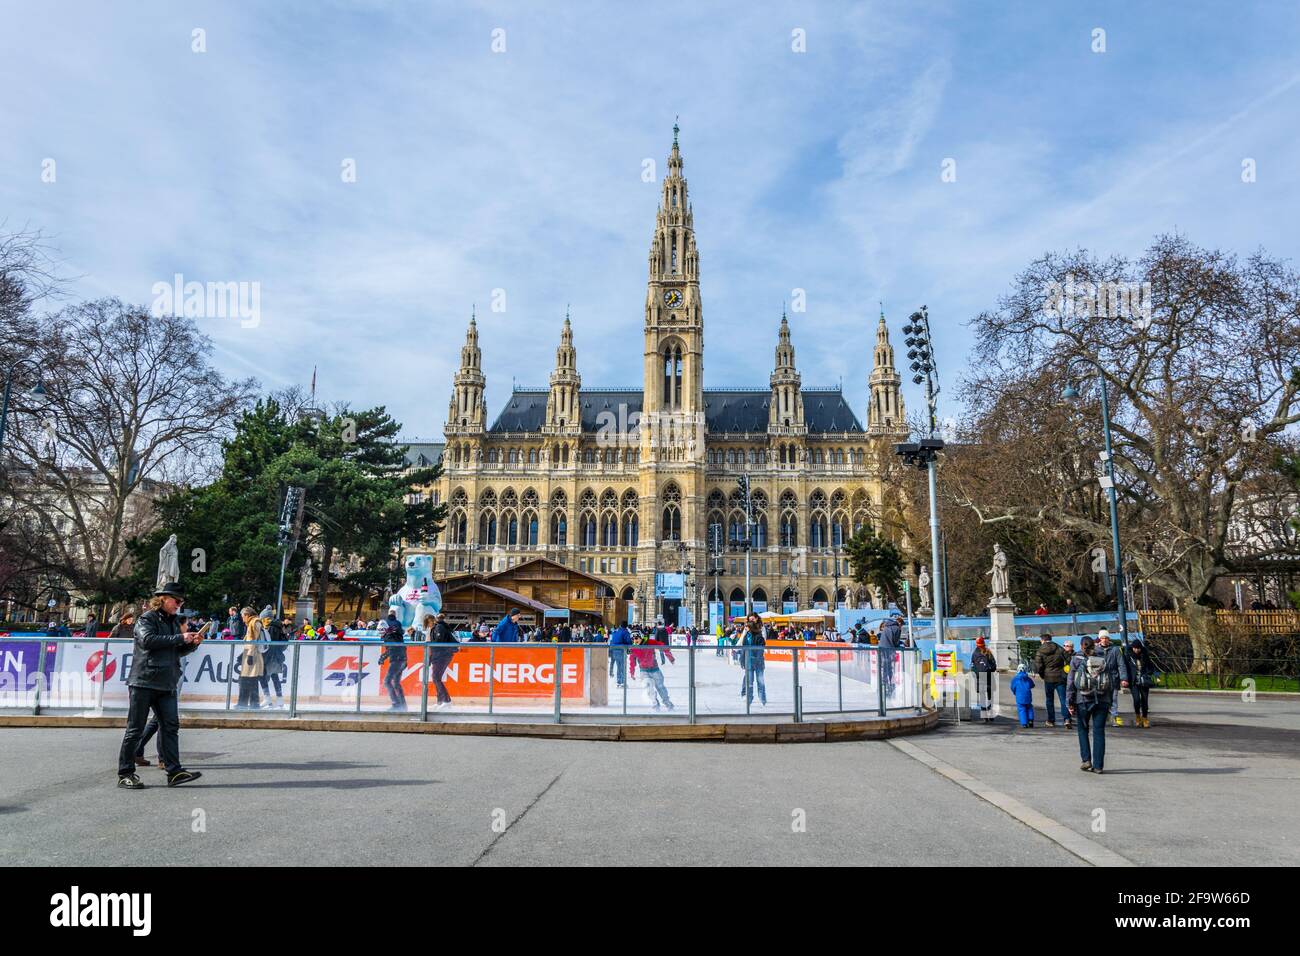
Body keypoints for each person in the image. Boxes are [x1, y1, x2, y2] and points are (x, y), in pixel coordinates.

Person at [116, 583, 203, 789]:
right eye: (177, 601)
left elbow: (174, 650)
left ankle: (174, 771)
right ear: (163, 598)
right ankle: (125, 773)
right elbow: (148, 641)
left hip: (166, 681)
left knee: (171, 726)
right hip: (144, 681)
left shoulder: (173, 622)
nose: (179, 605)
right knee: (135, 729)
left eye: (181, 602)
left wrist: (191, 645)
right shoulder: (147, 618)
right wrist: (180, 637)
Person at [1068, 636, 1113, 773]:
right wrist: (1110, 701)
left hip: (1083, 699)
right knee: (1099, 732)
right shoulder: (1103, 657)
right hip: (1102, 699)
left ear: (1082, 646)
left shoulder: (1076, 659)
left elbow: (1071, 682)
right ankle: (1098, 766)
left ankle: (1086, 760)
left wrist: (1069, 702)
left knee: (1083, 729)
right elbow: (1109, 679)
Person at [628, 629, 674, 709]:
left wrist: (670, 657)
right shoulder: (633, 648)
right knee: (647, 686)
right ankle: (655, 703)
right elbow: (632, 661)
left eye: (636, 638)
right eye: (633, 639)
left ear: (641, 637)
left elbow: (662, 645)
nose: (635, 640)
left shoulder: (650, 642)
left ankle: (667, 703)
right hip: (644, 671)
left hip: (655, 669)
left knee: (660, 687)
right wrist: (632, 672)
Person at [1032, 633, 1070, 728]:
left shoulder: (1040, 650)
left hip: (1048, 677)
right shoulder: (1059, 648)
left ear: (1042, 640)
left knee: (1049, 699)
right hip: (1060, 677)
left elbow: (1038, 666)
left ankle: (1051, 720)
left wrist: (1042, 674)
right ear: (1050, 639)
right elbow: (1069, 659)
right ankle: (1067, 719)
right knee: (1063, 699)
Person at [1096, 629, 1129, 726]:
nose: (1104, 640)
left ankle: (1114, 717)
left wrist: (1124, 678)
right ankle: (1103, 717)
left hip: (1113, 678)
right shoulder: (1096, 650)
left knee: (1113, 699)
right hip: (1100, 679)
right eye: (1102, 638)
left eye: (1106, 638)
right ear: (1099, 639)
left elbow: (1121, 664)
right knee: (1101, 699)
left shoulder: (1115, 650)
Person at [236, 607, 266, 710]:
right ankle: (244, 703)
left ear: (247, 615)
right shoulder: (251, 623)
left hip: (253, 656)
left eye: (242, 616)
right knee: (246, 679)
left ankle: (251, 703)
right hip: (250, 654)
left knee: (250, 680)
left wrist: (249, 655)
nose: (242, 618)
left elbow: (254, 640)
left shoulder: (254, 622)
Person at [426, 613, 458, 709]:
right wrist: (431, 658)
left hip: (444, 655)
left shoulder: (439, 627)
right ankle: (440, 701)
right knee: (436, 677)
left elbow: (438, 642)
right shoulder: (434, 629)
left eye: (428, 623)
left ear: (432, 621)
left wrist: (431, 654)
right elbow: (435, 645)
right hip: (439, 655)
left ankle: (446, 701)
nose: (428, 625)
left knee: (436, 677)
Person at [1125, 639, 1158, 727]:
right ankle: (1137, 716)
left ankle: (1145, 718)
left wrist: (1150, 674)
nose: (1137, 650)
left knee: (1144, 700)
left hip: (1144, 681)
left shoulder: (1144, 655)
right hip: (1133, 681)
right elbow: (1125, 668)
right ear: (1132, 648)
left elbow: (1150, 667)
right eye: (1135, 648)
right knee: (1136, 700)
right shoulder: (1128, 656)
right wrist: (1125, 679)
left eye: (1138, 648)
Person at [377, 611, 407, 710]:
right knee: (396, 683)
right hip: (401, 658)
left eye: (381, 632)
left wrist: (383, 657)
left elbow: (392, 648)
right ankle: (403, 705)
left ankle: (396, 704)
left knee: (387, 681)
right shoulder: (393, 633)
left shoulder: (389, 636)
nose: (381, 636)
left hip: (397, 659)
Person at [259, 607, 287, 708]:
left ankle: (268, 699)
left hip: (271, 657)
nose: (262, 621)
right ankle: (279, 700)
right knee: (274, 677)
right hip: (277, 656)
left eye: (262, 619)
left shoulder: (271, 627)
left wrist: (265, 658)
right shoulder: (278, 626)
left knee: (262, 676)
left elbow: (270, 645)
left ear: (266, 618)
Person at [740, 612, 767, 706]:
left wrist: (758, 659)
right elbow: (743, 645)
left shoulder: (760, 632)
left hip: (757, 661)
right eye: (749, 619)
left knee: (760, 681)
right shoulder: (747, 634)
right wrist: (742, 659)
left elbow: (762, 646)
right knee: (748, 680)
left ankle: (762, 698)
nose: (750, 621)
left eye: (752, 619)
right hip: (749, 661)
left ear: (756, 619)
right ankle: (747, 696)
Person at [970, 637, 997, 720]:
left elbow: (972, 667)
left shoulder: (974, 654)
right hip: (989, 678)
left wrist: (976, 675)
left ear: (976, 644)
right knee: (990, 696)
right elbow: (994, 666)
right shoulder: (988, 652)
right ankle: (990, 713)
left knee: (982, 697)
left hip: (979, 678)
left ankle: (984, 715)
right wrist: (989, 670)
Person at [877, 613, 903, 697]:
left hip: (881, 650)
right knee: (890, 669)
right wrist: (899, 645)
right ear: (899, 623)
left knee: (884, 669)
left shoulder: (886, 627)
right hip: (889, 651)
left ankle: (883, 687)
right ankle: (891, 688)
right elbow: (895, 642)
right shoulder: (897, 629)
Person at [1011, 664, 1035, 728]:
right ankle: (1030, 720)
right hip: (1028, 696)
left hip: (1019, 696)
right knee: (1029, 707)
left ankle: (1024, 723)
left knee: (1022, 709)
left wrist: (1014, 692)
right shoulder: (1028, 678)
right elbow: (1032, 685)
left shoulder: (1015, 679)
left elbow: (1012, 687)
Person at [609, 621, 632, 687]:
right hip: (621, 650)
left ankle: (619, 682)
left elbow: (612, 640)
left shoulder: (616, 631)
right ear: (626, 626)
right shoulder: (625, 632)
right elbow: (628, 641)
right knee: (622, 667)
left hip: (614, 650)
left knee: (619, 667)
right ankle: (622, 683)